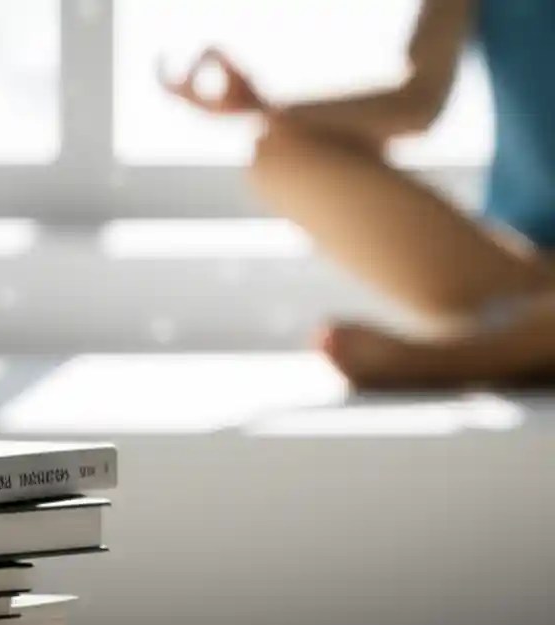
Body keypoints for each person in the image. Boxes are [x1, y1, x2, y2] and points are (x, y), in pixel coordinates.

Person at [163, 0, 555, 389]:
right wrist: (266, 109)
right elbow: (415, 104)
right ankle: (523, 347)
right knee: (283, 154)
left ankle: (454, 360)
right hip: (522, 270)